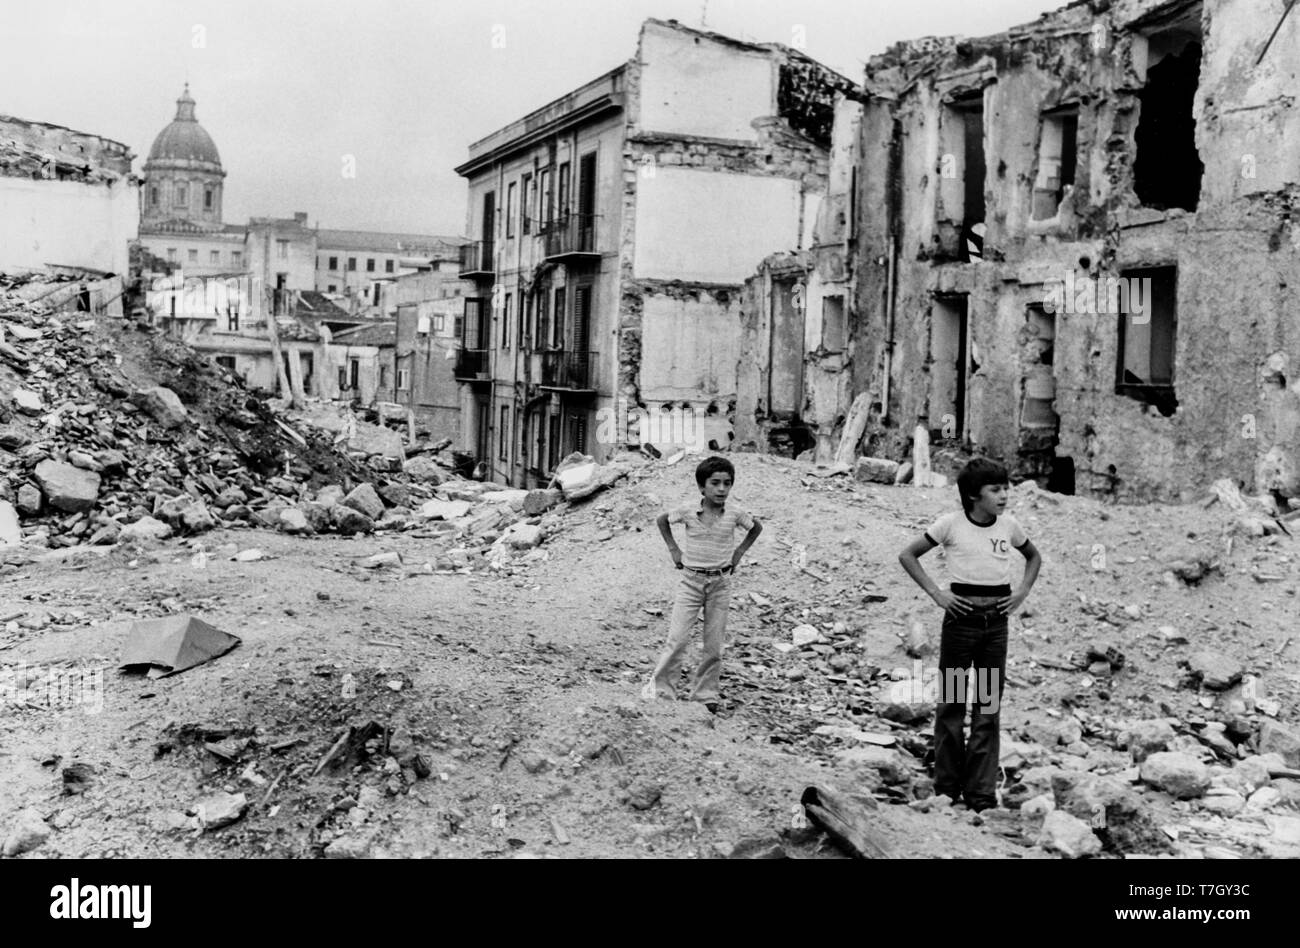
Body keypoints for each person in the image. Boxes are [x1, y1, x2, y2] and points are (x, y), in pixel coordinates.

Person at [898, 457, 1041, 811]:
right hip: (960, 625)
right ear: (973, 495)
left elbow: (1033, 557)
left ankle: (980, 793)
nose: (1004, 495)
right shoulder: (950, 524)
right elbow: (908, 555)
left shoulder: (1009, 526)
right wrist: (937, 594)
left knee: (987, 708)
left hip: (995, 626)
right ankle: (946, 787)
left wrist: (1021, 593)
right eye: (996, 490)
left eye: (1006, 487)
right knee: (951, 704)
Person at [643, 456, 762, 709]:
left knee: (713, 645)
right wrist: (674, 550)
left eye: (727, 484)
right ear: (701, 487)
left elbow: (755, 528)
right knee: (677, 639)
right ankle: (662, 692)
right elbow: (662, 520)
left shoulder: (734, 514)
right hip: (691, 583)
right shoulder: (687, 511)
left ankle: (705, 696)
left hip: (720, 585)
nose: (722, 489)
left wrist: (738, 554)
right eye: (715, 483)